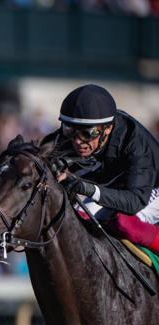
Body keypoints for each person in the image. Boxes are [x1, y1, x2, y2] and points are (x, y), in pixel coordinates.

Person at [45, 84, 159, 252]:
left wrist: (88, 189)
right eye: (70, 130)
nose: (77, 141)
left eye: (87, 133)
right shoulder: (71, 135)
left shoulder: (136, 145)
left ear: (108, 128)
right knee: (77, 216)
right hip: (121, 184)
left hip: (150, 188)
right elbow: (39, 155)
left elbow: (134, 201)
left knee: (124, 223)